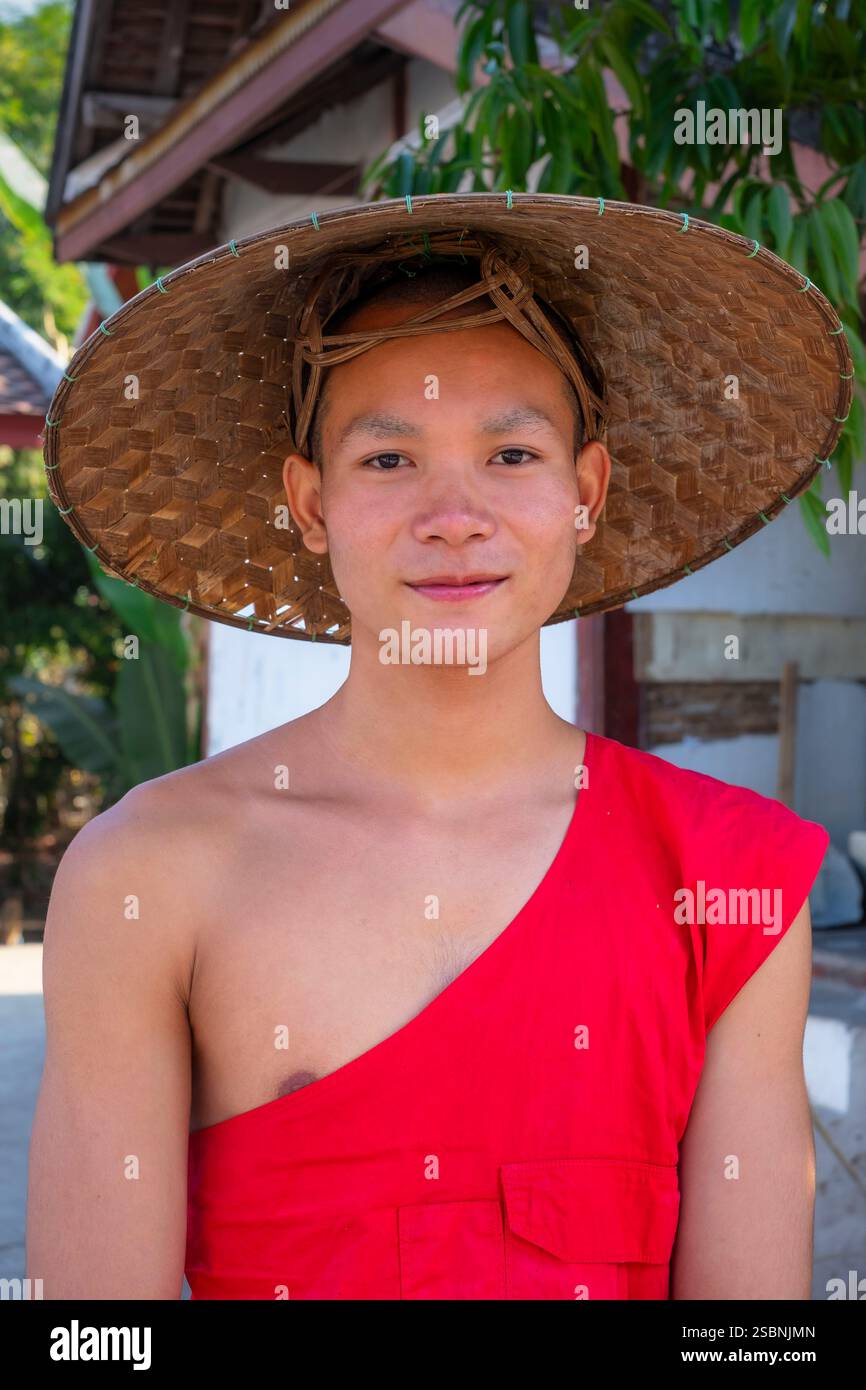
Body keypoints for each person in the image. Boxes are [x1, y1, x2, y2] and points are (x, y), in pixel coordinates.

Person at [29, 197, 842, 1300]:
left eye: (511, 452)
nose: (453, 514)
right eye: (388, 461)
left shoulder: (727, 878)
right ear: (309, 505)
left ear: (582, 494)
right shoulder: (147, 876)